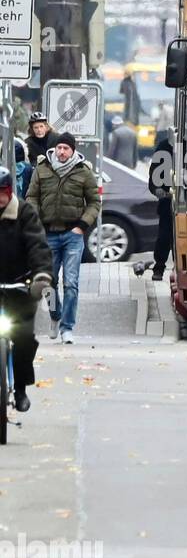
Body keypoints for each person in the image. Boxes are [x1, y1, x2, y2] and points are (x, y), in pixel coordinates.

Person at [25, 133, 101, 345]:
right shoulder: (42, 168)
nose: (62, 152)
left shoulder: (83, 171)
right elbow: (31, 196)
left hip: (72, 235)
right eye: (59, 148)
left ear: (73, 151)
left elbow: (94, 201)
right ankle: (55, 315)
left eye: (66, 149)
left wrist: (82, 226)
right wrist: (36, 220)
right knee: (48, 283)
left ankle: (68, 328)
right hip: (48, 234)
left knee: (72, 283)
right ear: (54, 149)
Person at [0, 166, 54, 413]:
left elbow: (37, 245)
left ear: (10, 191)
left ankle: (20, 388)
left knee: (23, 339)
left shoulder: (24, 212)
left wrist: (41, 276)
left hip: (19, 287)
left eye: (2, 192)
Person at [148, 129, 175, 281]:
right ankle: (159, 268)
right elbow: (154, 173)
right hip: (167, 200)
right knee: (164, 236)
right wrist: (157, 189)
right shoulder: (164, 147)